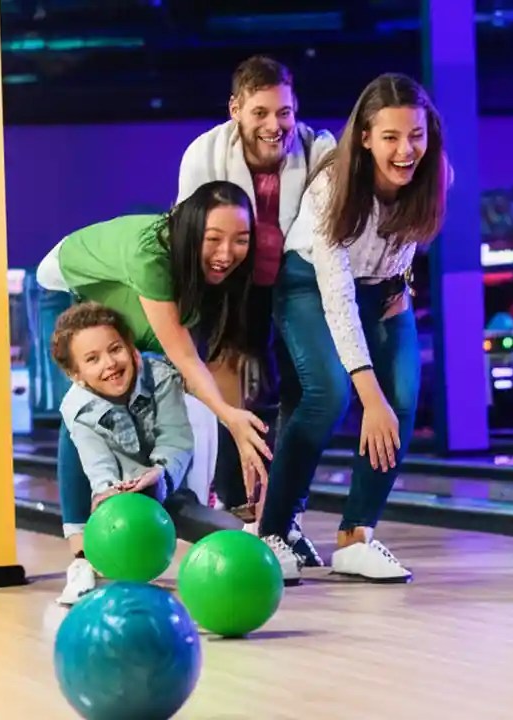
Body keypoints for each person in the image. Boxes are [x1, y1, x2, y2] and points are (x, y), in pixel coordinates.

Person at [35, 180, 271, 601]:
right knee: (84, 410)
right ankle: (82, 559)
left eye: (240, 240)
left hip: (121, 295)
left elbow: (207, 369)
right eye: (213, 238)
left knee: (154, 398)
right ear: (190, 230)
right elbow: (185, 359)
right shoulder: (152, 257)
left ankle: (158, 499)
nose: (226, 252)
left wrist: (237, 428)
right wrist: (230, 420)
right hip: (66, 289)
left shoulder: (211, 277)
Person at [260, 73, 450, 583]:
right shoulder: (333, 187)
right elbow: (338, 296)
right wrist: (370, 393)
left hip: (385, 291)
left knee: (404, 400)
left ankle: (356, 536)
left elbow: (400, 255)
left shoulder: (436, 178)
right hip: (307, 285)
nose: (405, 149)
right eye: (390, 137)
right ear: (364, 137)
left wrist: (394, 304)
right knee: (329, 393)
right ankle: (273, 532)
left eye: (415, 135)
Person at [176, 55, 336, 570]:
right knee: (233, 397)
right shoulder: (203, 153)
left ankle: (284, 520)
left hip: (296, 283)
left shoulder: (318, 149)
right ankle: (237, 509)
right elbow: (194, 241)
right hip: (229, 285)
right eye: (261, 112)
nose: (275, 125)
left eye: (284, 112)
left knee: (302, 395)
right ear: (236, 109)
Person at [50, 302, 212, 604]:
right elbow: (97, 463)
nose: (109, 363)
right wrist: (109, 493)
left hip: (165, 476)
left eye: (115, 349)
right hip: (120, 487)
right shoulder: (77, 409)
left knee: (228, 532)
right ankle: (82, 559)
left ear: (132, 349)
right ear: (76, 374)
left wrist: (160, 473)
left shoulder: (161, 376)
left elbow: (176, 438)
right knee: (69, 433)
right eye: (92, 359)